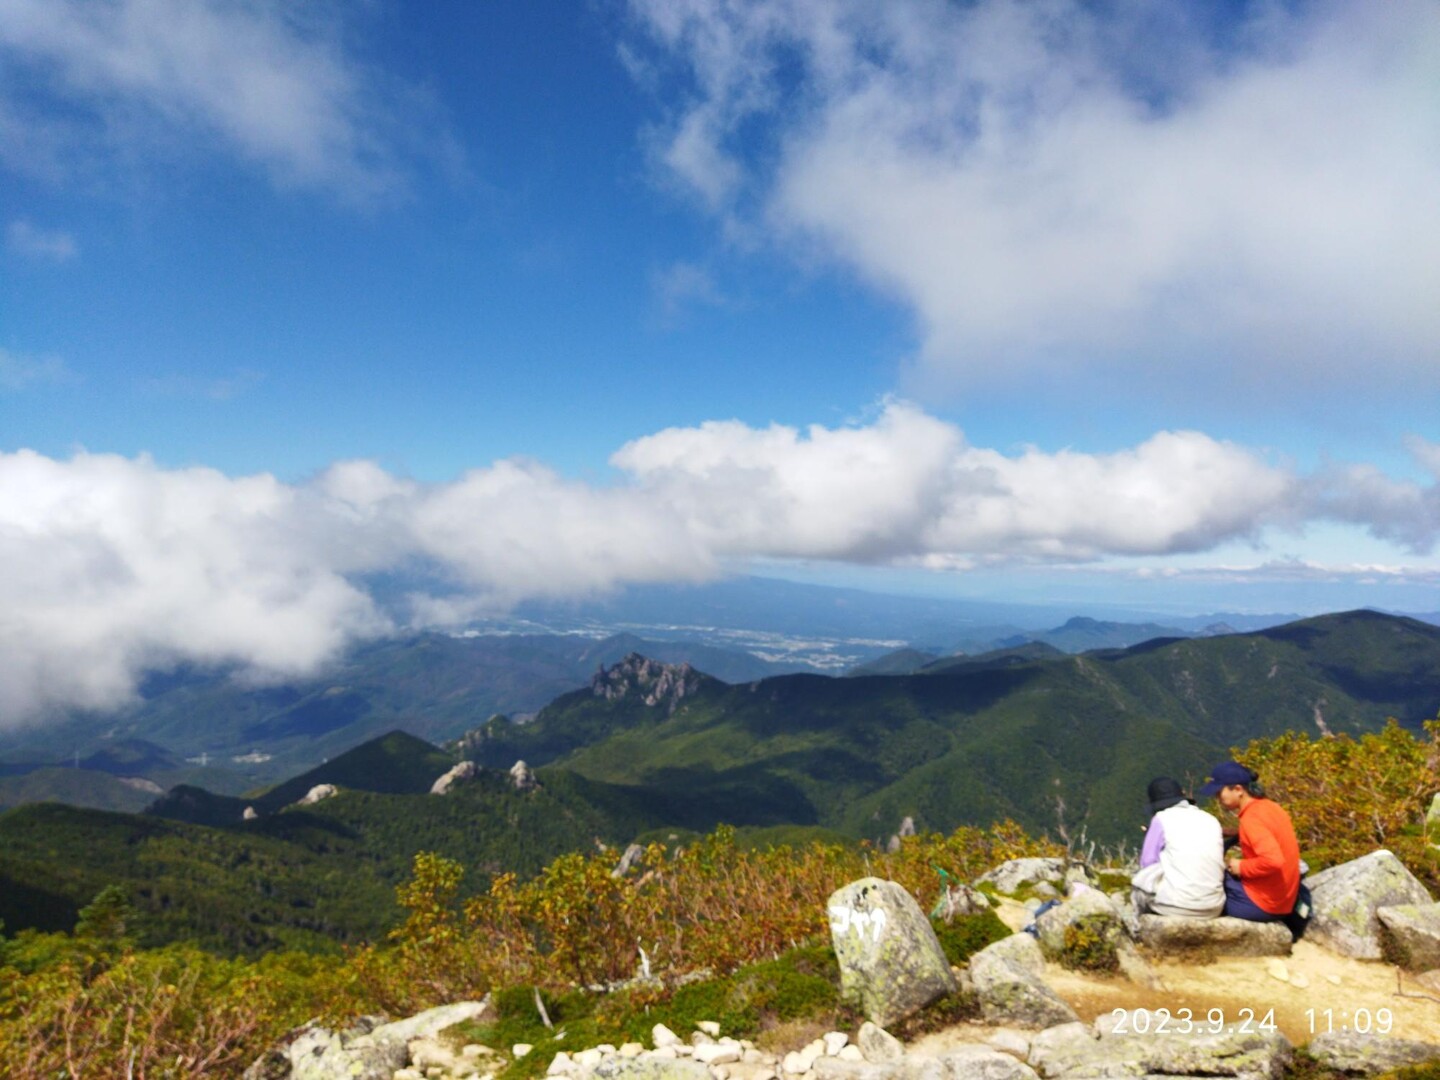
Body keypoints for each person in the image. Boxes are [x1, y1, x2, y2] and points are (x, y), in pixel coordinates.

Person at [1198, 761, 1303, 925]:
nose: (1217, 798)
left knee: (1208, 879)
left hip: (1263, 906)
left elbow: (1273, 860)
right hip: (1284, 901)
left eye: (1220, 792)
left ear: (1238, 790)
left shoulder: (1251, 818)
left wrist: (1241, 866)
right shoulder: (1271, 807)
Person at [1131, 776, 1225, 917]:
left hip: (1175, 907)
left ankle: (1138, 931)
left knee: (1139, 887)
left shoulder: (1161, 819)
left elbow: (1147, 863)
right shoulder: (1210, 819)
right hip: (1214, 907)